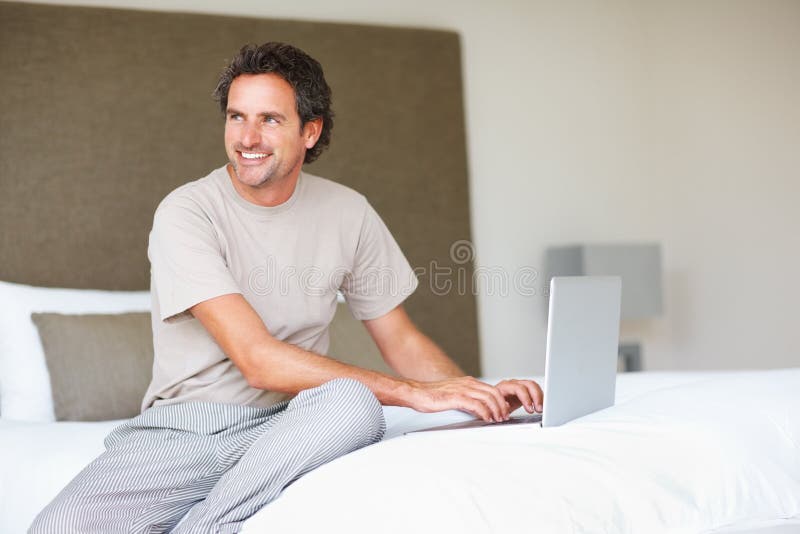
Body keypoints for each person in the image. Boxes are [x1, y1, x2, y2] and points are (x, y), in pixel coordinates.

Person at [30, 42, 543, 534]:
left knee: (352, 404)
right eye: (237, 117)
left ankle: (208, 525)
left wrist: (474, 394)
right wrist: (416, 395)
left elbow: (400, 339)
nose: (247, 138)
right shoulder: (187, 213)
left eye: (269, 119)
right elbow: (258, 359)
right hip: (187, 432)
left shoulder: (349, 212)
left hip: (296, 425)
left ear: (310, 131)